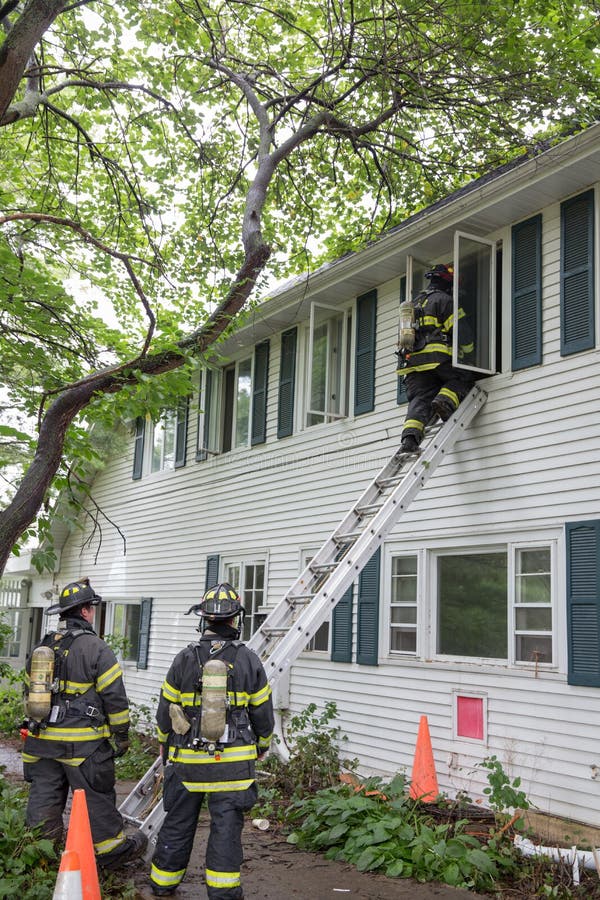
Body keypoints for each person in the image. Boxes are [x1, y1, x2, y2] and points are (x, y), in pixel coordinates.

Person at [149, 582, 275, 899]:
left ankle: (163, 884)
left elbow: (165, 711)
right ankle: (223, 893)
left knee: (177, 823)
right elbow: (263, 714)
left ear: (204, 619)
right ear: (235, 620)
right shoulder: (248, 660)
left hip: (186, 763)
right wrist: (261, 745)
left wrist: (164, 742)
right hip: (233, 766)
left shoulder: (183, 659)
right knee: (226, 828)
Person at [22, 577, 147, 869]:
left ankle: (40, 855)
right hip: (83, 748)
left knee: (44, 798)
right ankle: (109, 852)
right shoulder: (96, 648)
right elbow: (115, 697)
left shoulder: (42, 647)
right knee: (95, 797)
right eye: (91, 607)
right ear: (85, 612)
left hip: (41, 744)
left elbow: (29, 694)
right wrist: (121, 735)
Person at [397, 262, 476, 454]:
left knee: (420, 399)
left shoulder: (413, 304)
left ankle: (409, 439)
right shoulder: (444, 300)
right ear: (447, 284)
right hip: (437, 359)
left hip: (413, 365)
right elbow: (460, 331)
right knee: (464, 376)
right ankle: (444, 402)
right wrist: (471, 354)